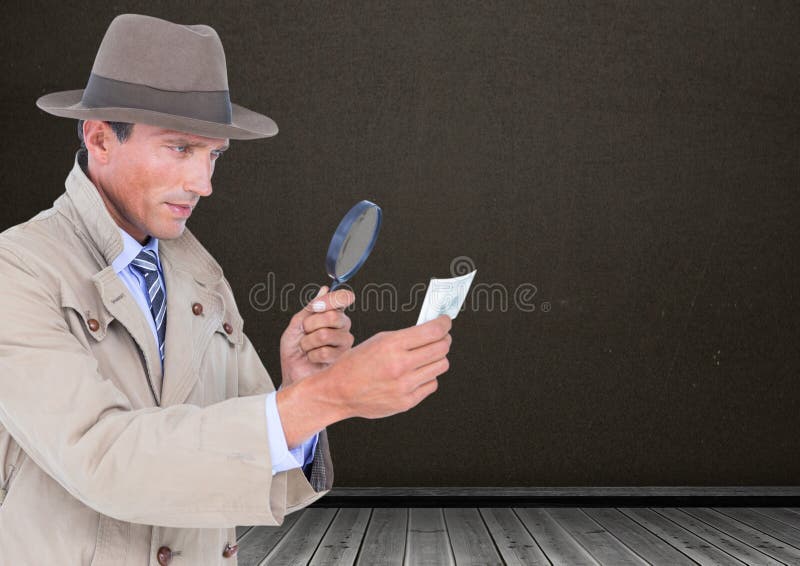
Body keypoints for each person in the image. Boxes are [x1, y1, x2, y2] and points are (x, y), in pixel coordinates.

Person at [0, 13, 452, 565]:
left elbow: (260, 476)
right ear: (99, 139)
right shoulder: (16, 270)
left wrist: (300, 387)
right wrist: (323, 399)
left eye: (213, 155)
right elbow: (102, 459)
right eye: (181, 148)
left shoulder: (201, 277)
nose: (204, 183)